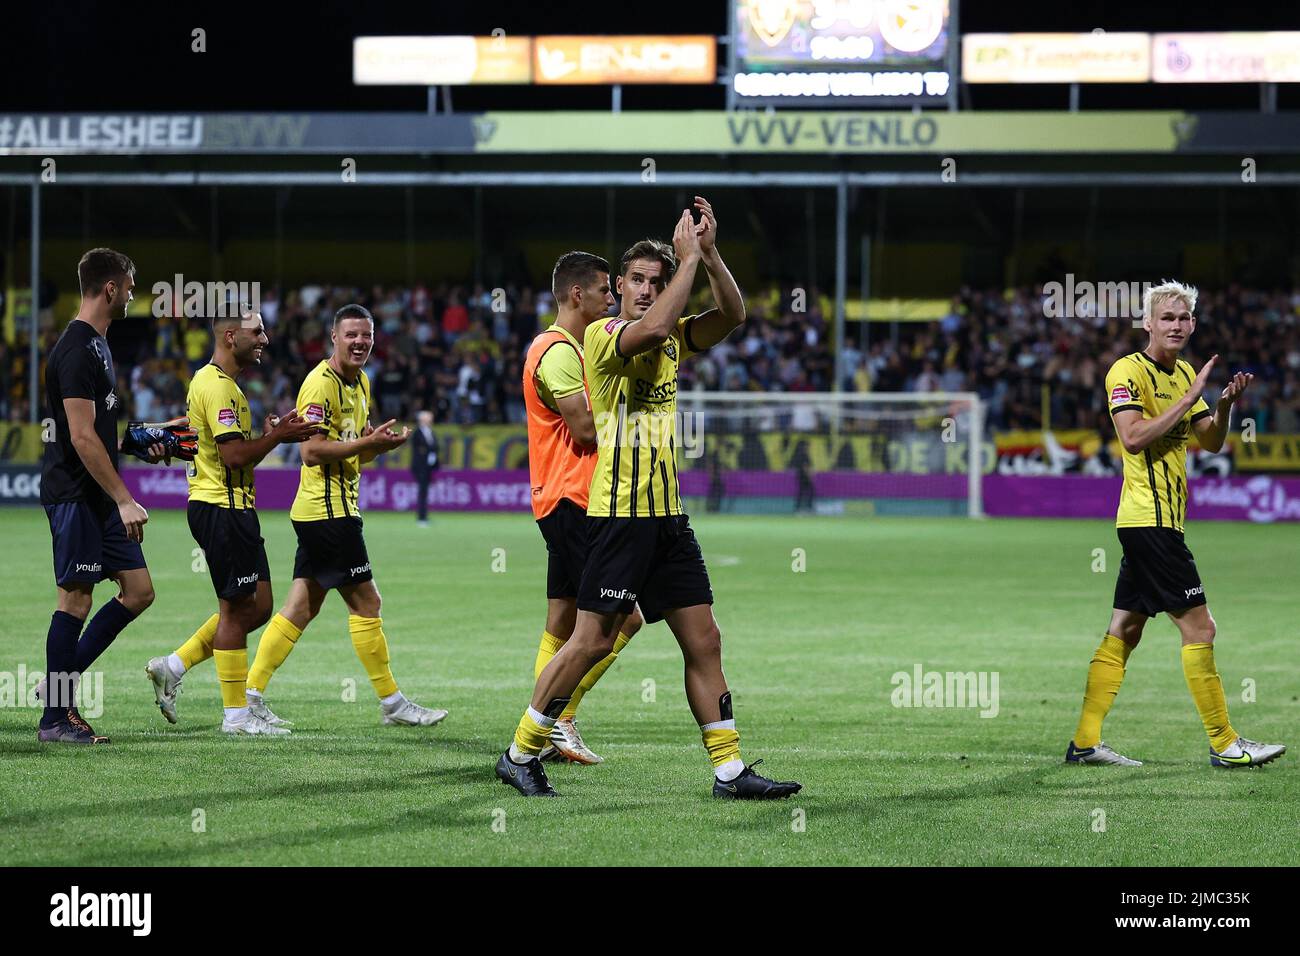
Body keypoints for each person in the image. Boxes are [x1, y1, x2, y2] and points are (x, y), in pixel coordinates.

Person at [496, 199, 802, 798]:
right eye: (636, 279)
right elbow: (656, 326)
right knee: (589, 641)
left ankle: (729, 770)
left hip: (667, 517)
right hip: (617, 517)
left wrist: (709, 256)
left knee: (704, 639)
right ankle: (520, 751)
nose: (645, 289)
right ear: (618, 286)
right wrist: (685, 262)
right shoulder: (605, 337)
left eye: (656, 281)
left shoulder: (672, 338)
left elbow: (733, 315)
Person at [1067, 280, 1286, 769]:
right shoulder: (1126, 372)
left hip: (1160, 525)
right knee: (1201, 628)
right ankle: (1225, 743)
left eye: (1185, 318)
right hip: (1150, 524)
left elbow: (1209, 442)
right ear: (1147, 323)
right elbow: (1133, 438)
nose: (1178, 326)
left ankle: (1085, 741)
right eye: (1167, 318)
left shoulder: (1185, 372)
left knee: (1125, 629)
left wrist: (1224, 404)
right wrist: (1188, 398)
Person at [243, 305, 448, 727]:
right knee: (368, 602)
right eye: (351, 334)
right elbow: (311, 451)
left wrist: (378, 445)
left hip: (328, 509)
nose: (360, 342)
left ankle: (250, 696)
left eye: (367, 336)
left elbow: (358, 452)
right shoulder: (320, 385)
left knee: (300, 608)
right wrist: (363, 445)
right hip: (327, 512)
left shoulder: (362, 382)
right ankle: (393, 703)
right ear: (332, 338)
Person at [145, 307, 318, 734]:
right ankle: (236, 715)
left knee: (257, 605)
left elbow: (224, 445)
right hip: (220, 507)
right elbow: (233, 455)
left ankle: (173, 665)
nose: (265, 338)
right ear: (228, 336)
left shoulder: (221, 385)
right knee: (236, 611)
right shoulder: (218, 387)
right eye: (256, 331)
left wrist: (270, 432)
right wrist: (277, 438)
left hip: (234, 507)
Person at [38, 248, 169, 743]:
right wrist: (123, 497)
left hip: (95, 495)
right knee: (75, 599)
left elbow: (101, 432)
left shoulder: (99, 345)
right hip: (76, 495)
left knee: (139, 591)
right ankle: (55, 717)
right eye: (131, 284)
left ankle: (55, 683)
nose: (135, 292)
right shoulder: (75, 350)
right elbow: (81, 437)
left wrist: (143, 439)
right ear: (110, 288)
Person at [520, 251, 644, 764]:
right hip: (573, 500)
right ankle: (559, 717)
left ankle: (549, 725)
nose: (611, 298)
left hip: (565, 499)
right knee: (625, 618)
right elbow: (587, 430)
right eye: (603, 291)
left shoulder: (570, 348)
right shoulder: (557, 352)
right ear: (577, 295)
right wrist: (644, 421)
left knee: (560, 622)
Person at [409, 409, 439, 527]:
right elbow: (419, 450)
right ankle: (421, 517)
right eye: (428, 418)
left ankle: (424, 516)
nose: (431, 420)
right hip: (420, 466)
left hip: (428, 467)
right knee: (422, 491)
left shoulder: (430, 432)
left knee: (425, 491)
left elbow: (434, 448)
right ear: (422, 419)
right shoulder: (417, 433)